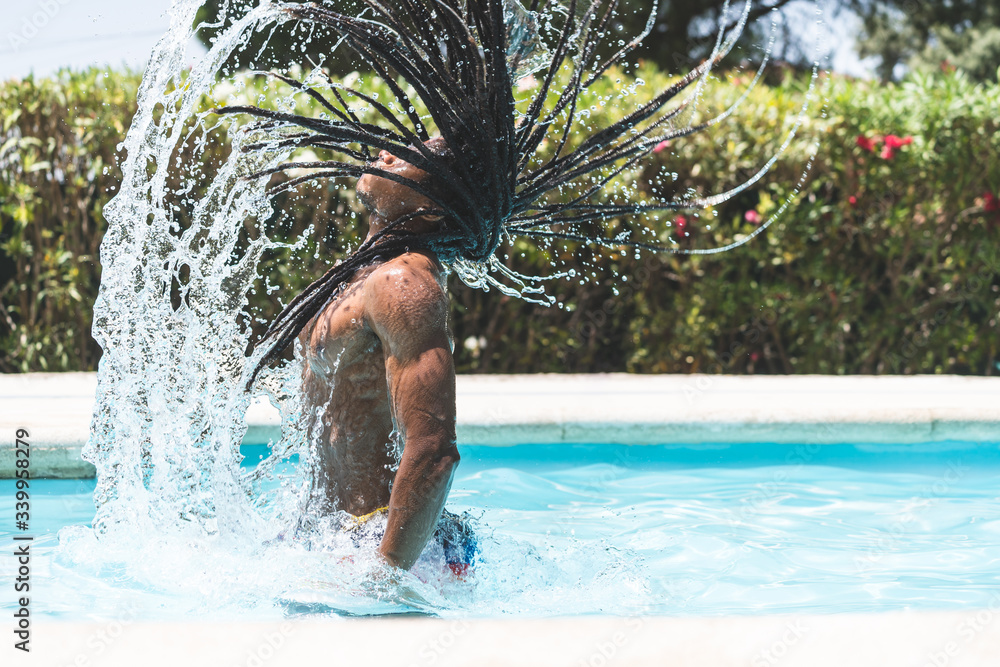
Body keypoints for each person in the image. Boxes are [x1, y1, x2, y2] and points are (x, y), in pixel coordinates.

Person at [297, 138, 475, 574]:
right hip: (341, 535)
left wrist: (385, 576)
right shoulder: (368, 274)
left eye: (411, 159)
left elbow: (434, 449)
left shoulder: (402, 282)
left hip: (382, 543)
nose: (386, 154)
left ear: (430, 209)